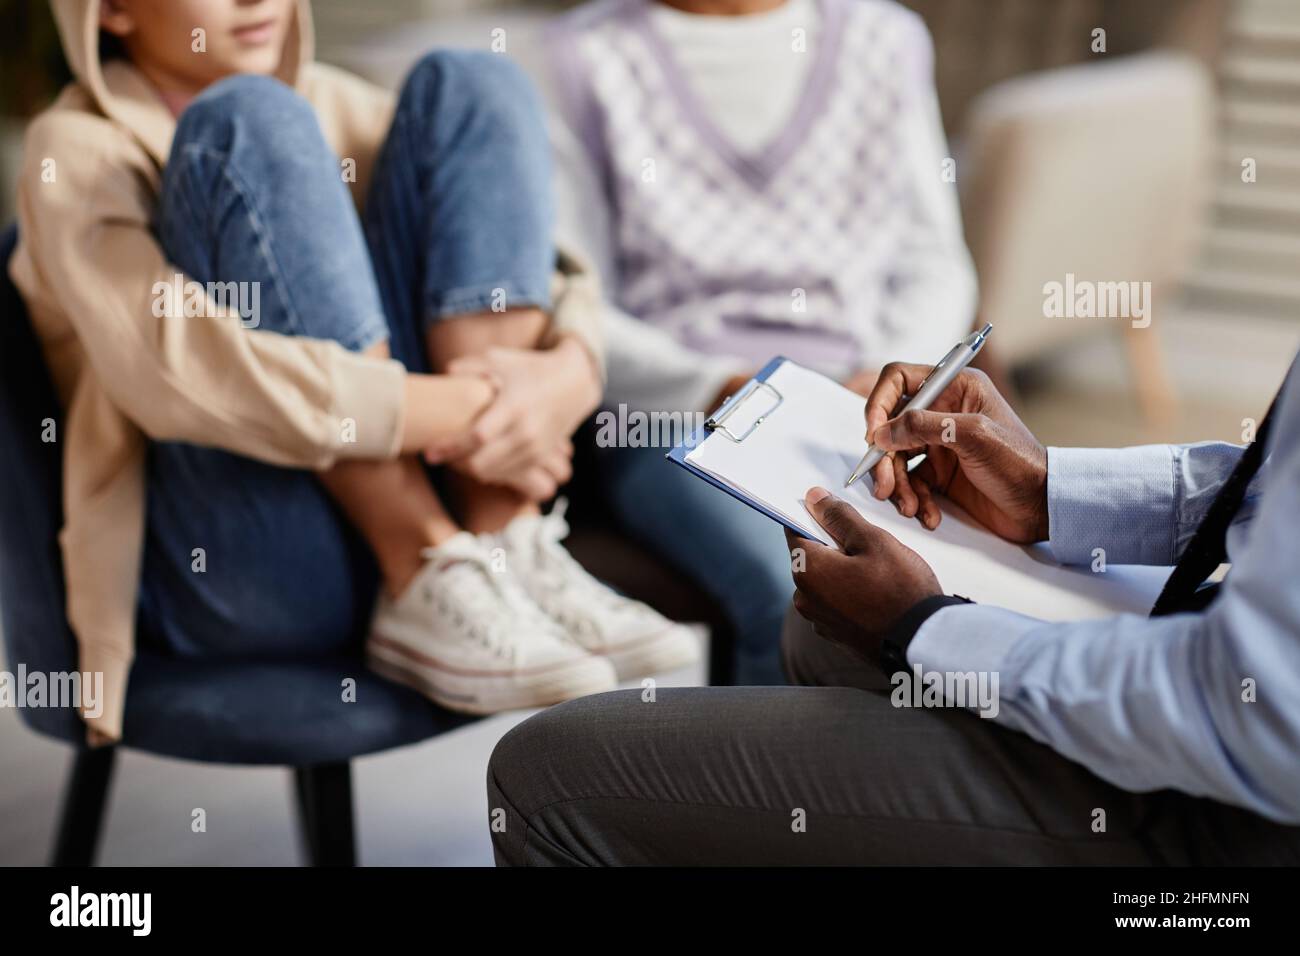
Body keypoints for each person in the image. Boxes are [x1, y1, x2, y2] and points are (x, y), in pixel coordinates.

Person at [10, 0, 696, 744]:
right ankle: (419, 558)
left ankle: (505, 538)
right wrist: (483, 408)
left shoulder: (336, 102)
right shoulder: (71, 149)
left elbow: (550, 260)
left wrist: (570, 372)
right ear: (110, 11)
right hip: (238, 561)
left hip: (445, 526)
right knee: (251, 118)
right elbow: (176, 380)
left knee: (475, 81)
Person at [486, 357, 1300, 864]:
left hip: (1230, 824)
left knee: (542, 779)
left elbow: (1242, 712)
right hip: (1219, 679)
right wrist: (1053, 493)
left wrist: (925, 628)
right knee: (816, 630)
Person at [541, 0, 977, 683]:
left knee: (970, 588)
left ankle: (892, 790)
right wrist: (727, 387)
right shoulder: (578, 58)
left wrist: (885, 374)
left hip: (862, 401)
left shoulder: (883, 39)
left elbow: (934, 260)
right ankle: (770, 790)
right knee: (803, 591)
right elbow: (573, 300)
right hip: (679, 417)